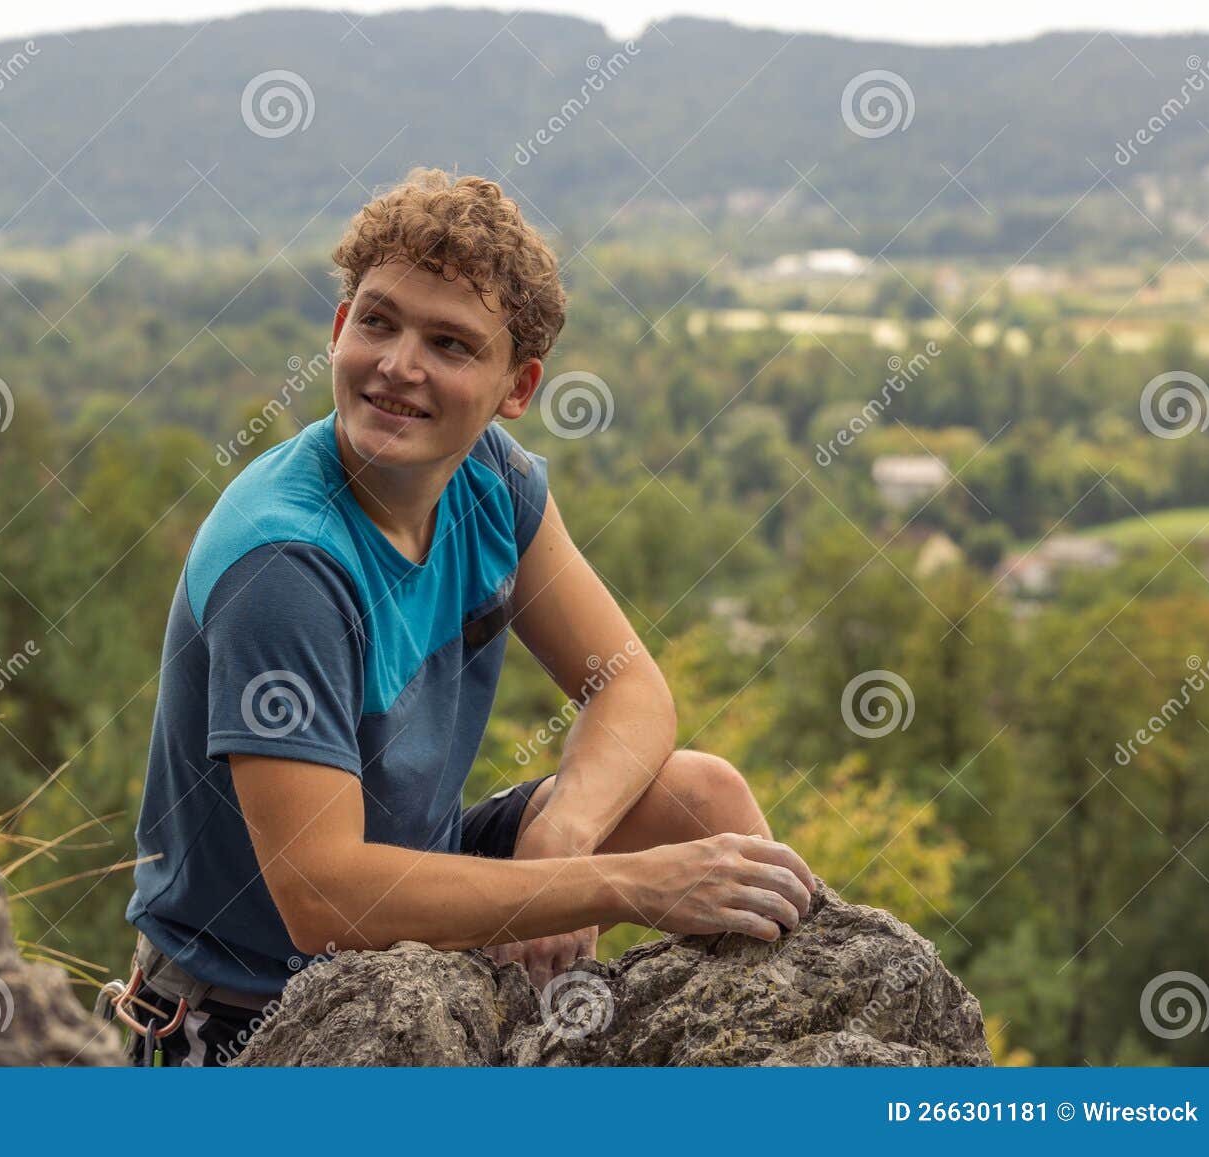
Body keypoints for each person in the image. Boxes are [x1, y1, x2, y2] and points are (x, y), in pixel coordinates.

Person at [122, 167, 814, 1066]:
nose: (398, 365)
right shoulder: (286, 563)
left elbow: (630, 685)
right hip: (249, 1001)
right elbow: (323, 894)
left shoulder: (492, 480)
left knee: (702, 797)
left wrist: (564, 842)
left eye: (449, 344)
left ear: (514, 386)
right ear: (338, 331)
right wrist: (620, 883)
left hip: (416, 890)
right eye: (377, 321)